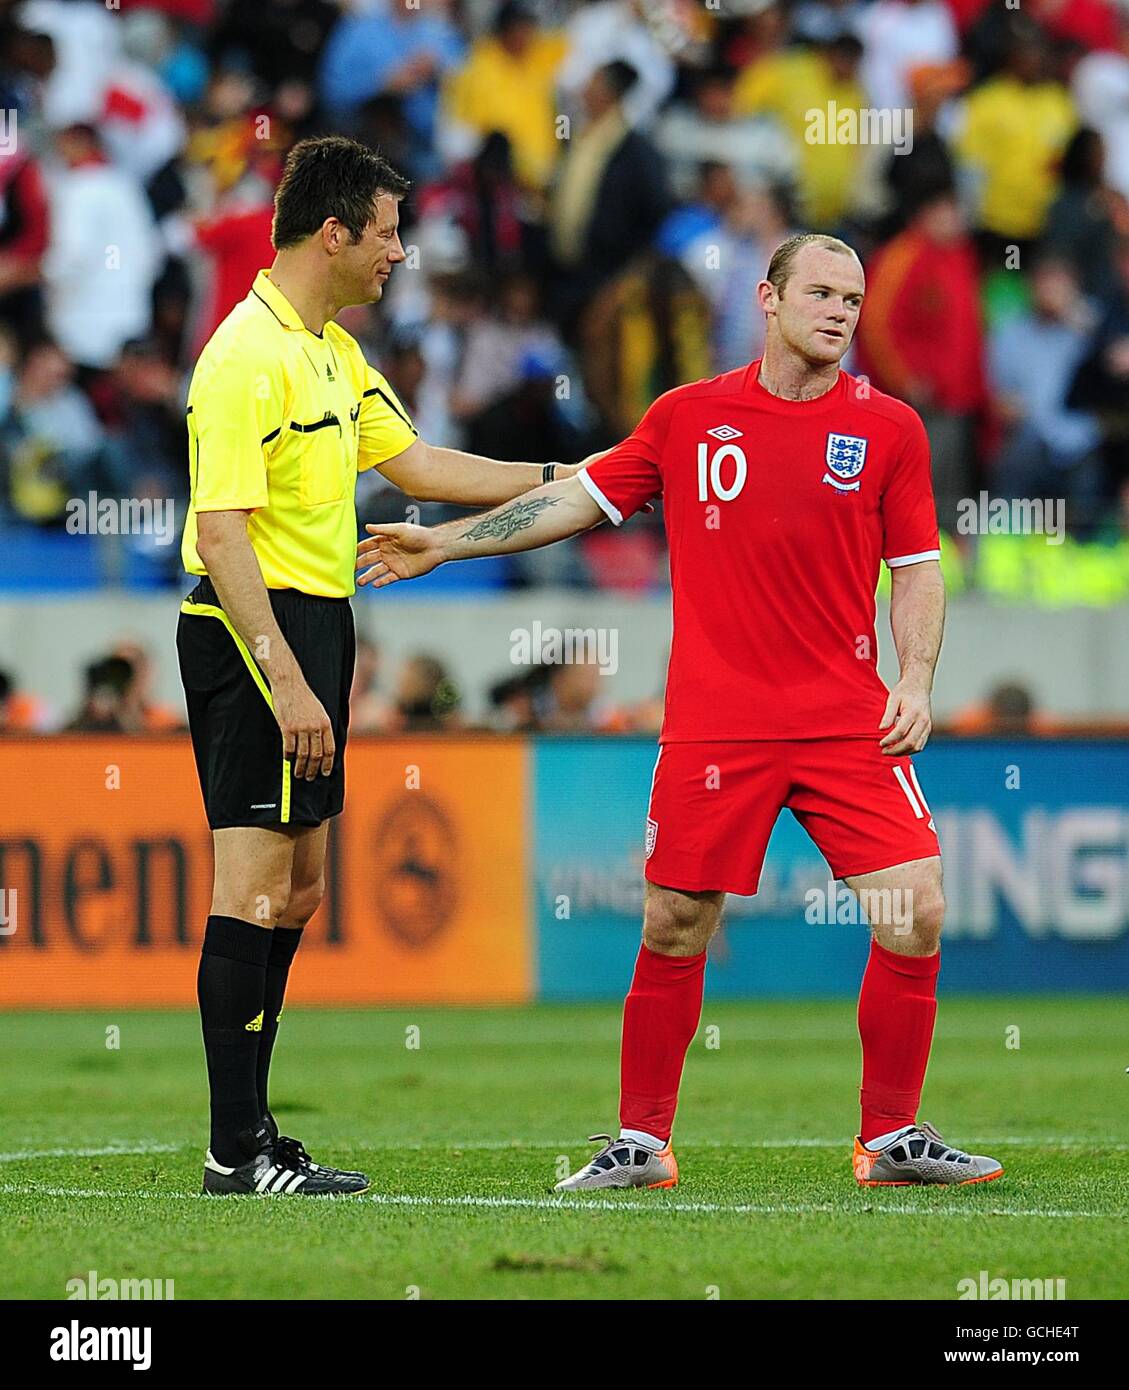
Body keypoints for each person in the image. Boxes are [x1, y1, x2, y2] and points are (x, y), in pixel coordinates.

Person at [358, 233, 1005, 1192]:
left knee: (914, 911)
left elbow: (915, 573)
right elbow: (572, 501)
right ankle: (641, 1143)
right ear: (769, 300)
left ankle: (891, 1137)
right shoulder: (689, 420)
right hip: (717, 723)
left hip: (845, 719)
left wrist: (913, 680)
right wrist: (444, 545)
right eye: (820, 293)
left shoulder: (890, 430)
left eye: (853, 299)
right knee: (672, 920)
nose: (839, 312)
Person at [176, 135, 595, 1199]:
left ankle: (256, 1131)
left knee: (302, 890)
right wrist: (284, 676)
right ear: (335, 233)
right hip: (250, 630)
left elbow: (419, 466)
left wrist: (577, 477)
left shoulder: (330, 351)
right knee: (252, 884)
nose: (400, 254)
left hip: (317, 627)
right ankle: (235, 1149)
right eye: (389, 232)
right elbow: (222, 535)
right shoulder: (242, 357)